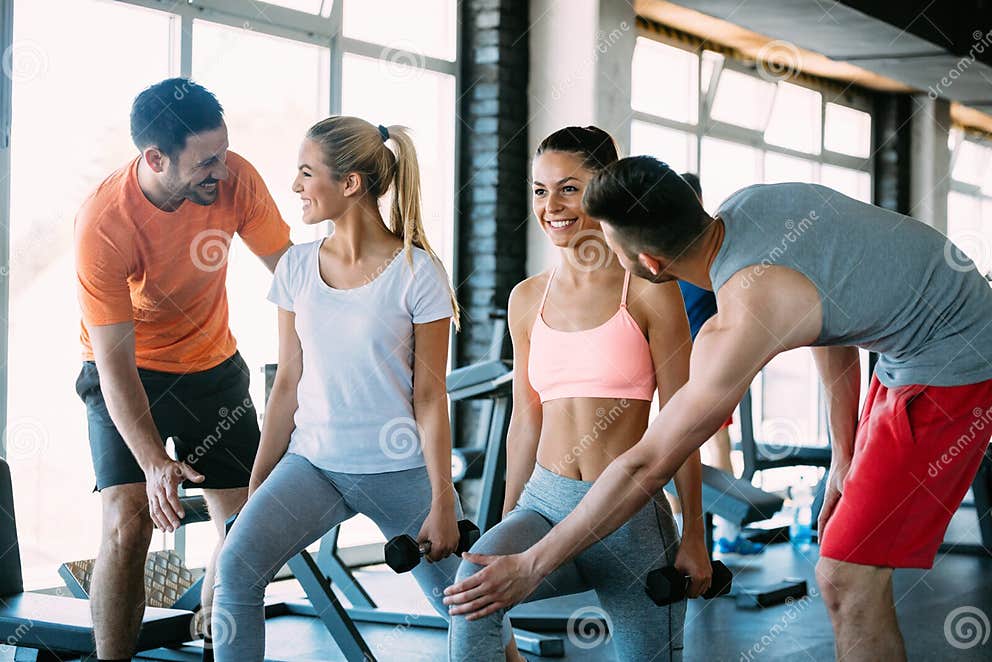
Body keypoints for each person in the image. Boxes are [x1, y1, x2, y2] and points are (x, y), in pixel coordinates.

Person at [443, 157, 992, 662]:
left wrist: (533, 564)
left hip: (955, 363)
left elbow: (647, 464)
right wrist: (843, 456)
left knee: (847, 576)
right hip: (914, 340)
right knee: (842, 562)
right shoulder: (752, 205)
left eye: (612, 247)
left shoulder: (746, 314)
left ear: (649, 263)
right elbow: (833, 312)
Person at [447, 128, 710, 662]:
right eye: (541, 191)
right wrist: (504, 522)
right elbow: (526, 419)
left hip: (629, 515)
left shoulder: (649, 292)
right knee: (471, 596)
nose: (552, 207)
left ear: (605, 189)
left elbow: (685, 421)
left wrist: (695, 535)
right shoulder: (526, 299)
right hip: (544, 504)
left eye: (569, 188)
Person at [212, 117, 464, 662]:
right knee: (236, 565)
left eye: (306, 174)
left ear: (350, 184)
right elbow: (286, 388)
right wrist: (257, 486)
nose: (296, 187)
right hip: (316, 466)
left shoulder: (418, 272)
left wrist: (442, 499)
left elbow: (430, 397)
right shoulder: (297, 267)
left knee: (469, 605)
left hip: (400, 471)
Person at [73, 78, 290, 661]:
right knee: (128, 521)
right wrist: (153, 464)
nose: (221, 171)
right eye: (206, 163)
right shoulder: (104, 223)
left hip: (211, 366)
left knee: (243, 525)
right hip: (128, 373)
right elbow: (114, 364)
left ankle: (219, 630)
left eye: (222, 154)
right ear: (154, 158)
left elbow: (290, 276)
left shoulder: (235, 178)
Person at [674, 172, 762, 555]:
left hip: (699, 367)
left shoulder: (679, 255)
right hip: (698, 369)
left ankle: (706, 533)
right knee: (710, 448)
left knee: (690, 449)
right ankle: (719, 533)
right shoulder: (703, 256)